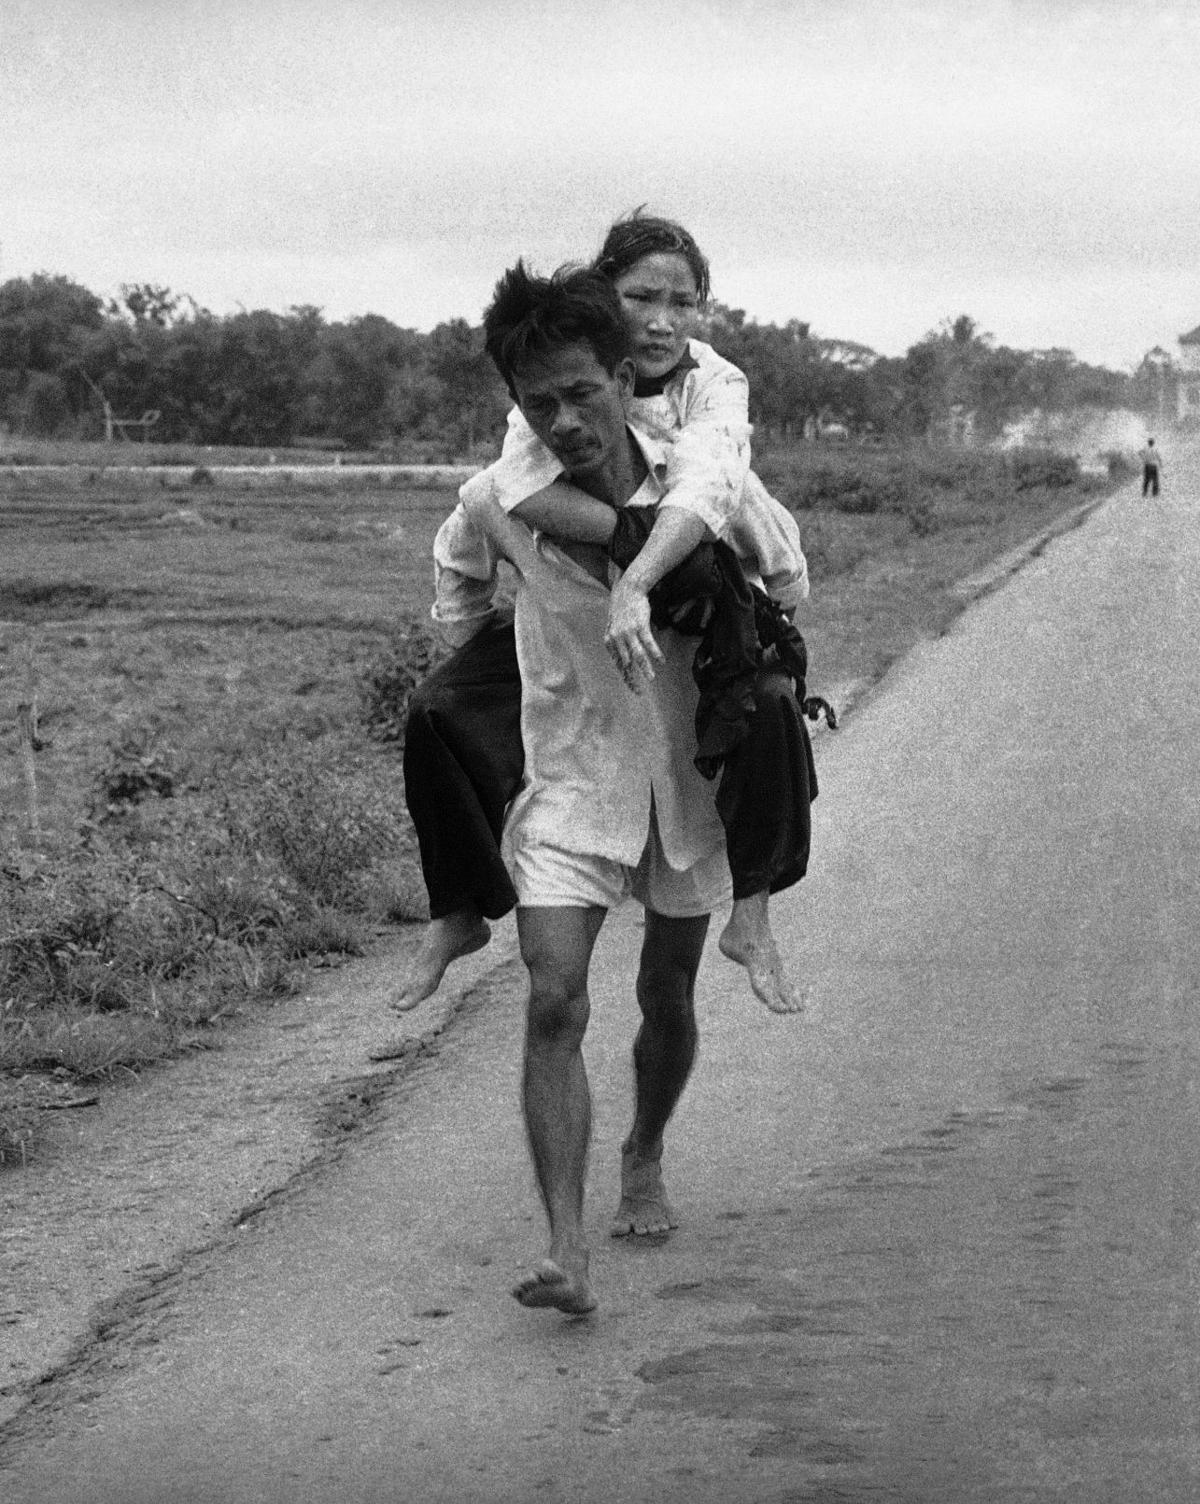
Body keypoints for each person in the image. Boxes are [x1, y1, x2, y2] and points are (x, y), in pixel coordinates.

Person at [432, 260, 808, 1314]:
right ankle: (566, 1248)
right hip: (572, 782)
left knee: (665, 994)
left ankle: (643, 1150)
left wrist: (741, 633)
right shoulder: (505, 496)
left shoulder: (703, 487)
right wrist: (470, 669)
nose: (564, 419)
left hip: (684, 780)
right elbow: (457, 566)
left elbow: (784, 566)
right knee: (552, 995)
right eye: (536, 402)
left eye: (582, 392)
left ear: (620, 376)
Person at [396, 213, 823, 1015]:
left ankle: (753, 913)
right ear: (603, 302)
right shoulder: (554, 390)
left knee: (770, 707)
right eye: (640, 297)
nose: (663, 320)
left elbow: (714, 493)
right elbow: (491, 498)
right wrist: (470, 631)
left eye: (684, 302)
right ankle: (456, 908)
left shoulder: (712, 384)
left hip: (709, 564)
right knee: (435, 711)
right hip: (583, 594)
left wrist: (649, 572)